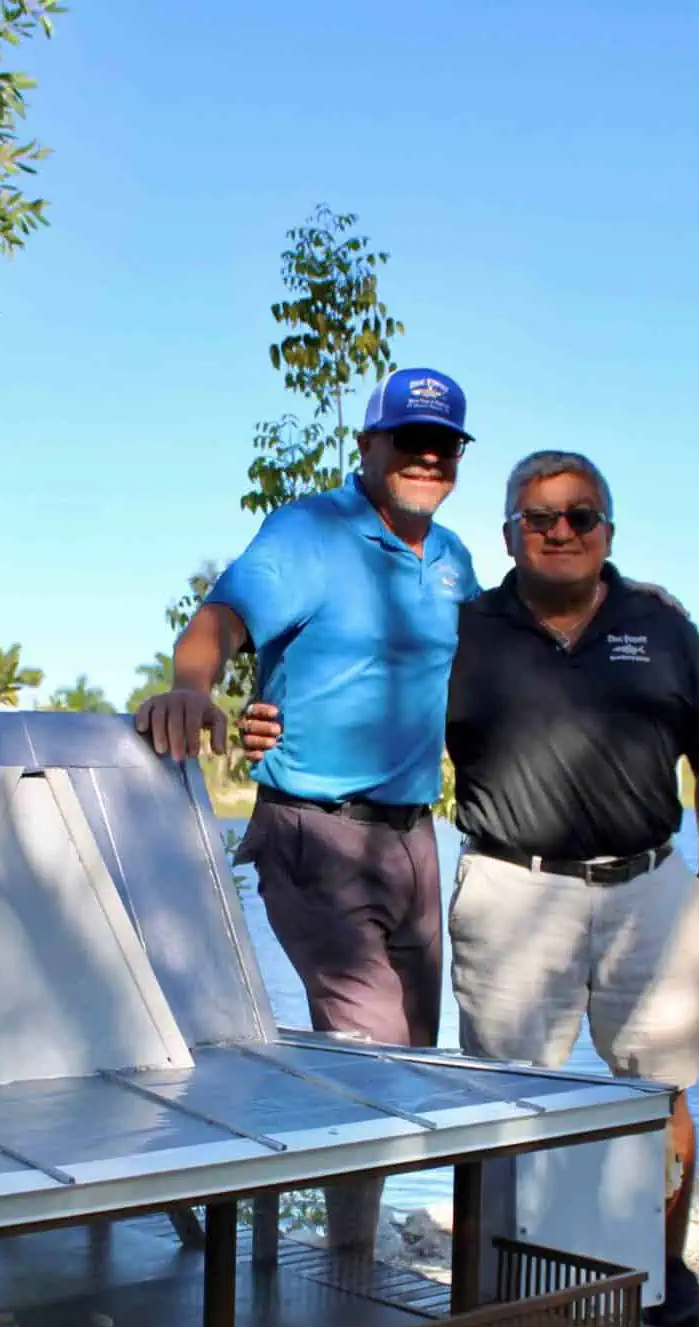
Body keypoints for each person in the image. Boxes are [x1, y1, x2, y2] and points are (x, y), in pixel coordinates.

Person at [240, 449, 699, 1327]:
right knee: (494, 1103)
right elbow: (358, 688)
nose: (560, 531)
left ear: (608, 529)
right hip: (515, 890)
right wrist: (266, 714)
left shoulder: (660, 625)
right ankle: (492, 1289)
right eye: (538, 518)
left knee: (662, 1092)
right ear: (509, 532)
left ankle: (665, 1271)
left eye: (579, 515)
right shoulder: (464, 627)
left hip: (652, 893)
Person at [133, 366, 479, 1252]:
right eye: (408, 441)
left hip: (413, 836)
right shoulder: (310, 531)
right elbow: (218, 622)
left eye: (443, 448)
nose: (426, 459)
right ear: (368, 445)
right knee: (363, 1052)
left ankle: (236, 1167)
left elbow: (494, 675)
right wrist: (190, 689)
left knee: (403, 1055)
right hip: (314, 831)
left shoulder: (454, 563)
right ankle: (350, 1268)